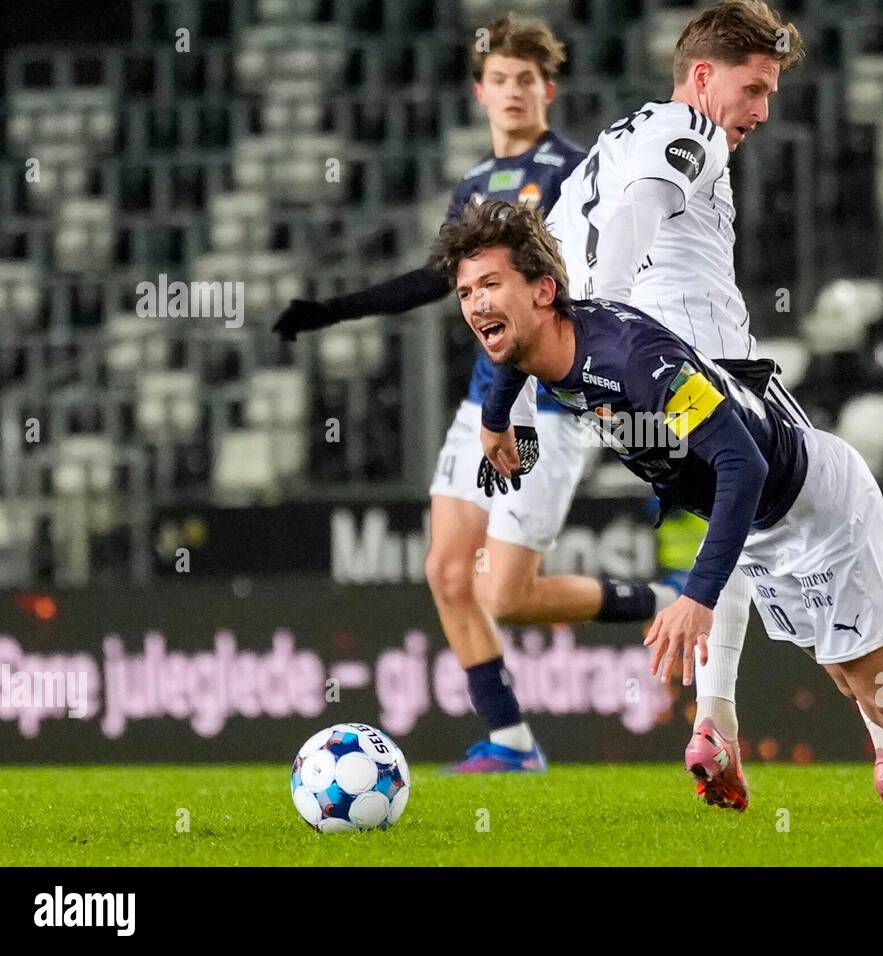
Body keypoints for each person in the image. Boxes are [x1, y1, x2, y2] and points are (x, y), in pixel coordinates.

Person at [436, 199, 883, 812]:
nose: (477, 305)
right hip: (766, 527)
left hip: (813, 505)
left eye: (491, 285)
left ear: (545, 290)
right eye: (467, 292)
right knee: (864, 682)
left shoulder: (632, 363)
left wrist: (699, 597)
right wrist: (497, 423)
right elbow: (509, 360)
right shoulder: (544, 344)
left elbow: (740, 464)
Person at [537, 0, 883, 810]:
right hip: (705, 373)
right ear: (702, 76)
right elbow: (641, 209)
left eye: (770, 95)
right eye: (752, 89)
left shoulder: (605, 150)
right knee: (832, 516)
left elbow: (547, 255)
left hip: (628, 402)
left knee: (751, 529)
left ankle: (718, 721)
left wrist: (560, 375)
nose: (759, 112)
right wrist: (609, 318)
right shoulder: (689, 130)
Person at [270, 15, 680, 774]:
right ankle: (511, 740)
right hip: (481, 401)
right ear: (479, 93)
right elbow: (434, 281)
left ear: (548, 89)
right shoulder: (473, 187)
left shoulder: (575, 171)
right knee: (448, 572)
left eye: (527, 79)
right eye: (500, 79)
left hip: (548, 405)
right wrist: (332, 311)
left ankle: (666, 599)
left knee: (507, 595)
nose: (513, 91)